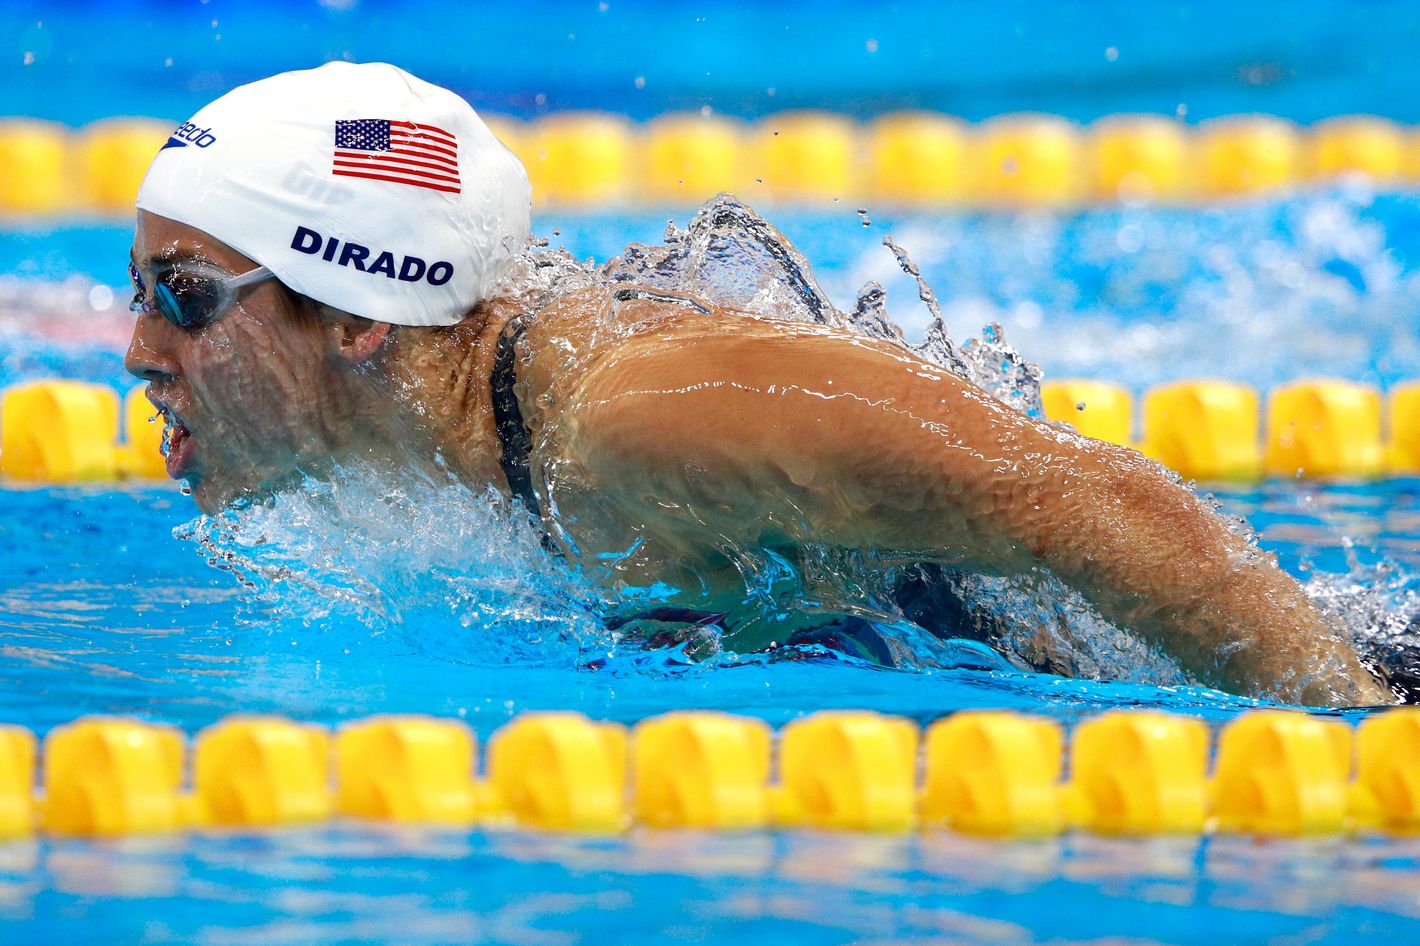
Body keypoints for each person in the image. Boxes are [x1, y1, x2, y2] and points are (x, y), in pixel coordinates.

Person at [124, 62, 1392, 707]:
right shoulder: (464, 436)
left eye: (183, 296)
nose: (136, 350)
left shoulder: (638, 423)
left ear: (360, 319)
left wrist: (1360, 741)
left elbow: (1086, 500)